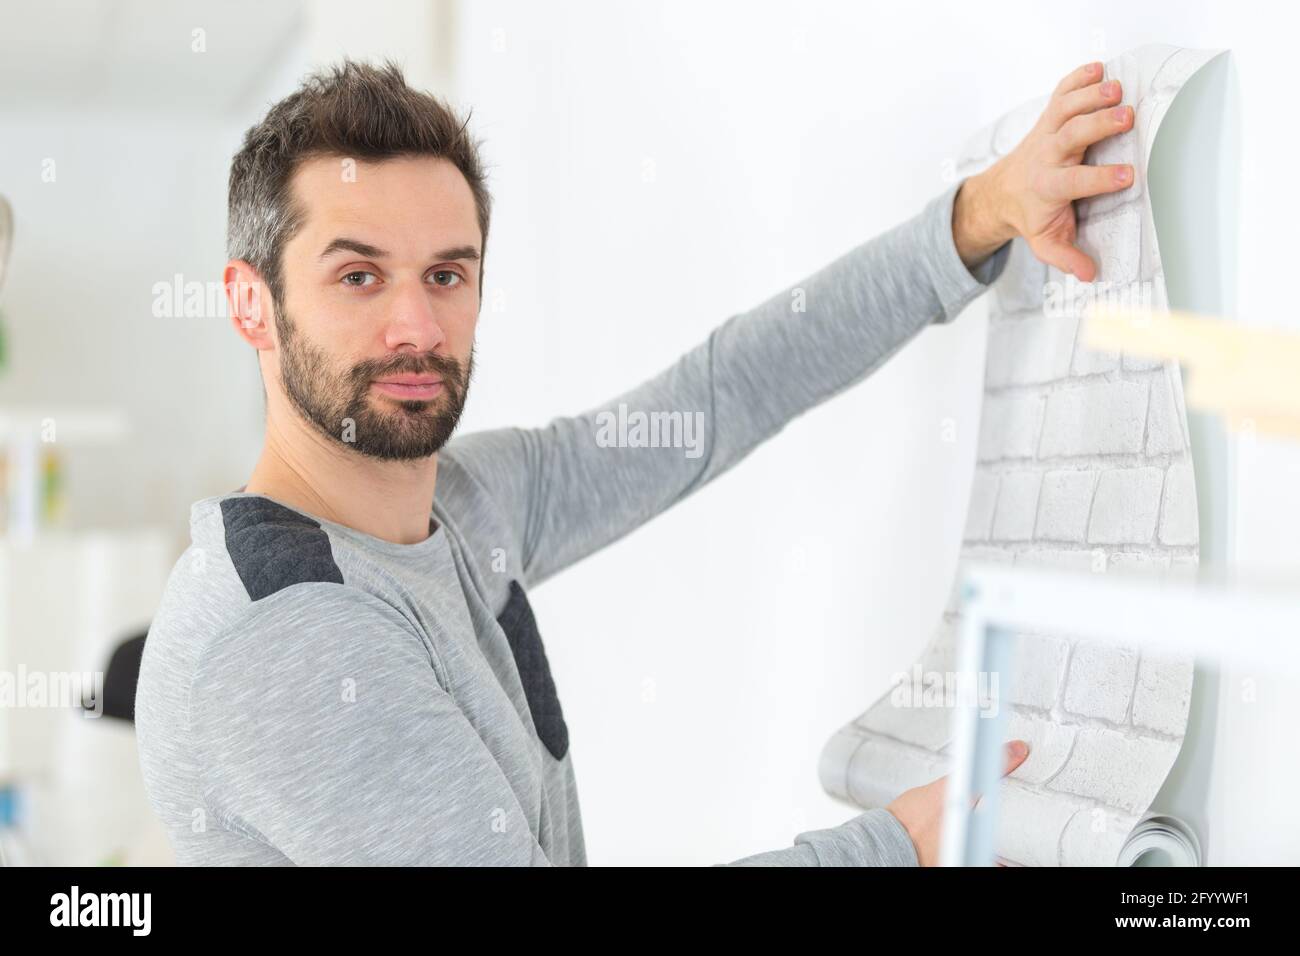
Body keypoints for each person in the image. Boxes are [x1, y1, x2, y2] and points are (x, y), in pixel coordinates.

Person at [135, 58, 1134, 865]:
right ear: (250, 302)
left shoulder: (464, 503)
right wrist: (890, 850)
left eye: (447, 274)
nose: (415, 325)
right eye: (358, 275)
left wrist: (977, 217)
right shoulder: (288, 632)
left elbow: (718, 395)